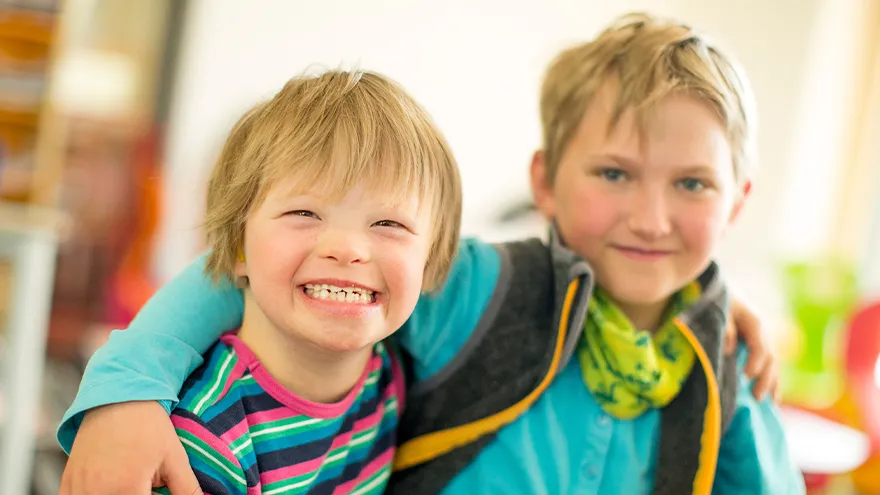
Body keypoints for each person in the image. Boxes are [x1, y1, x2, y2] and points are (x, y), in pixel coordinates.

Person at [59, 13, 798, 495]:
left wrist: (723, 309)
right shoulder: (484, 287)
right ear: (544, 179)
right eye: (614, 173)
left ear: (737, 202)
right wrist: (125, 390)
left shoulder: (725, 358)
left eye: (693, 183)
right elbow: (249, 273)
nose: (651, 216)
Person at [145, 69, 461, 494]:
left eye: (388, 222)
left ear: (430, 259)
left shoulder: (389, 377)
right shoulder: (208, 439)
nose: (348, 249)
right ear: (239, 246)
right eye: (305, 213)